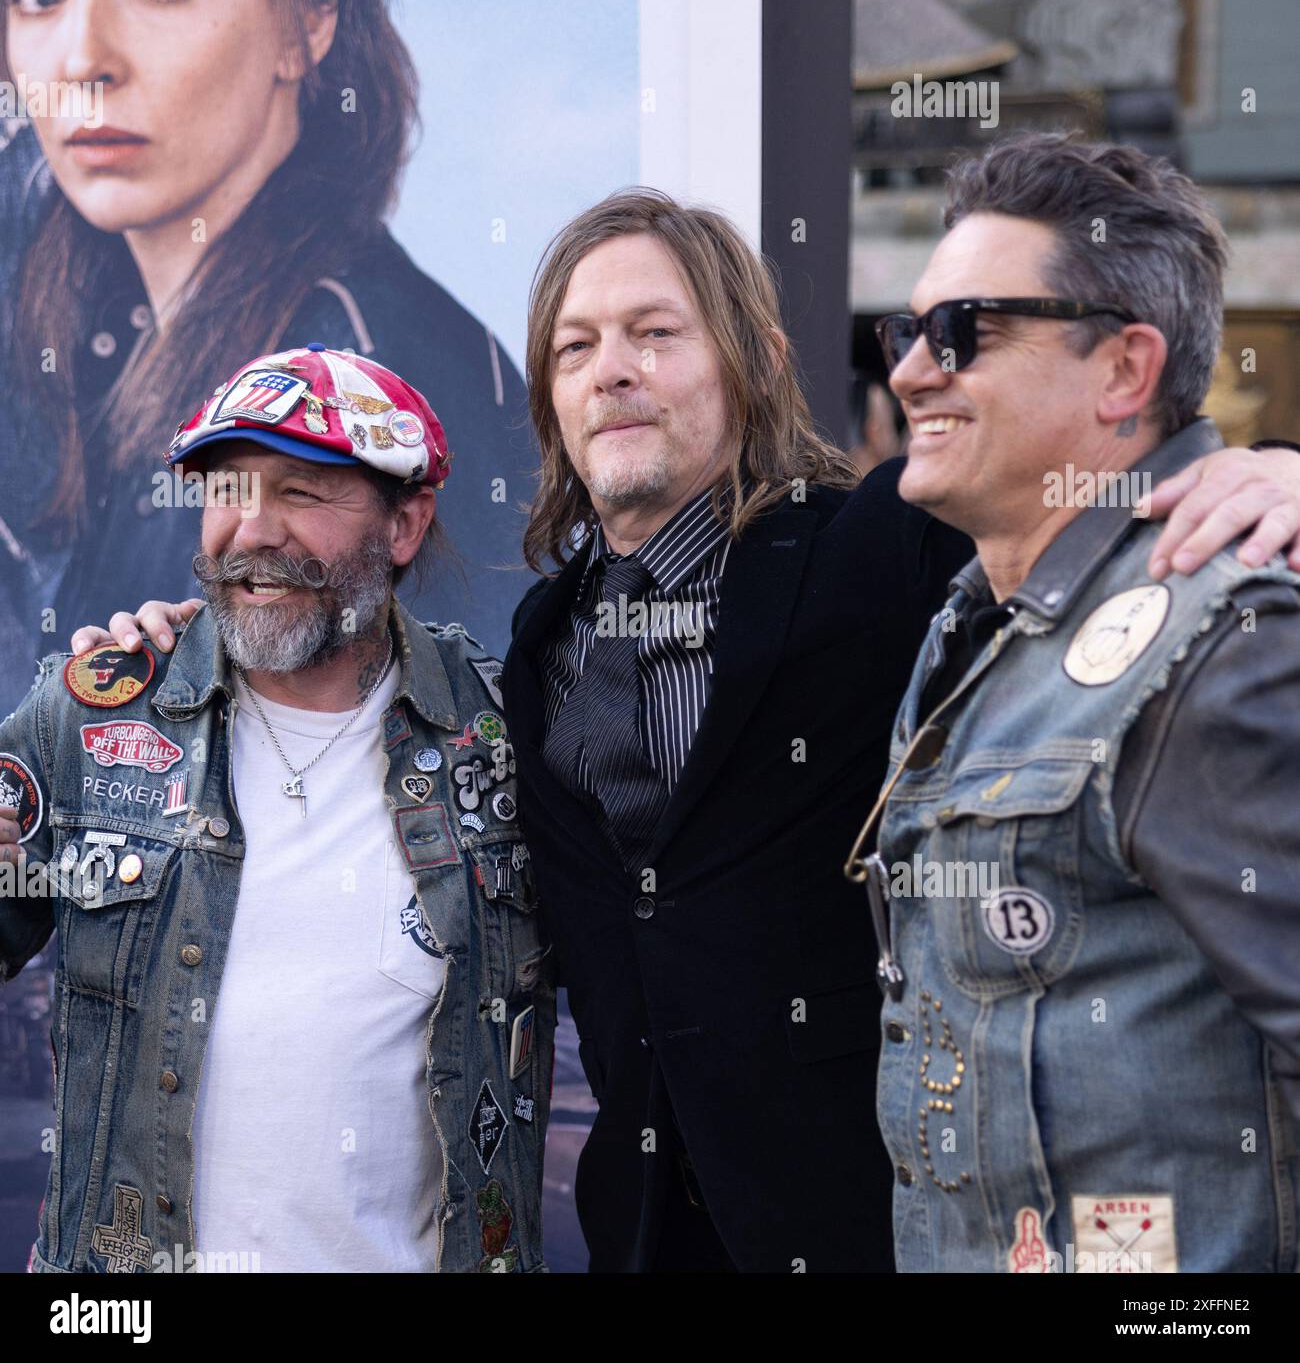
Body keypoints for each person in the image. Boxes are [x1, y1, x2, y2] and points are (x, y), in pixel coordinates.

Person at [76, 185, 1300, 1274]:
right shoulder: (534, 641)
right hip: (645, 1228)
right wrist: (183, 641)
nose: (612, 368)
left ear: (754, 362)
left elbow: (1070, 500)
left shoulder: (880, 546)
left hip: (885, 1224)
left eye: (656, 335)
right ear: (550, 400)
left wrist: (1277, 471)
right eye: (576, 346)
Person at [0, 344, 553, 1274]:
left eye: (301, 492)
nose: (250, 531)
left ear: (405, 524)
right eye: (226, 490)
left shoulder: (505, 735)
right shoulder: (91, 714)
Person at [852, 134, 1300, 1273]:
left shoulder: (1225, 630)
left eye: (965, 333)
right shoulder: (972, 628)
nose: (908, 372)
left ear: (1123, 372)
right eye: (907, 333)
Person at [0, 0, 531, 711]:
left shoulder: (388, 368)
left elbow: (476, 746)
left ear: (311, 19)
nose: (82, 62)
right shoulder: (59, 302)